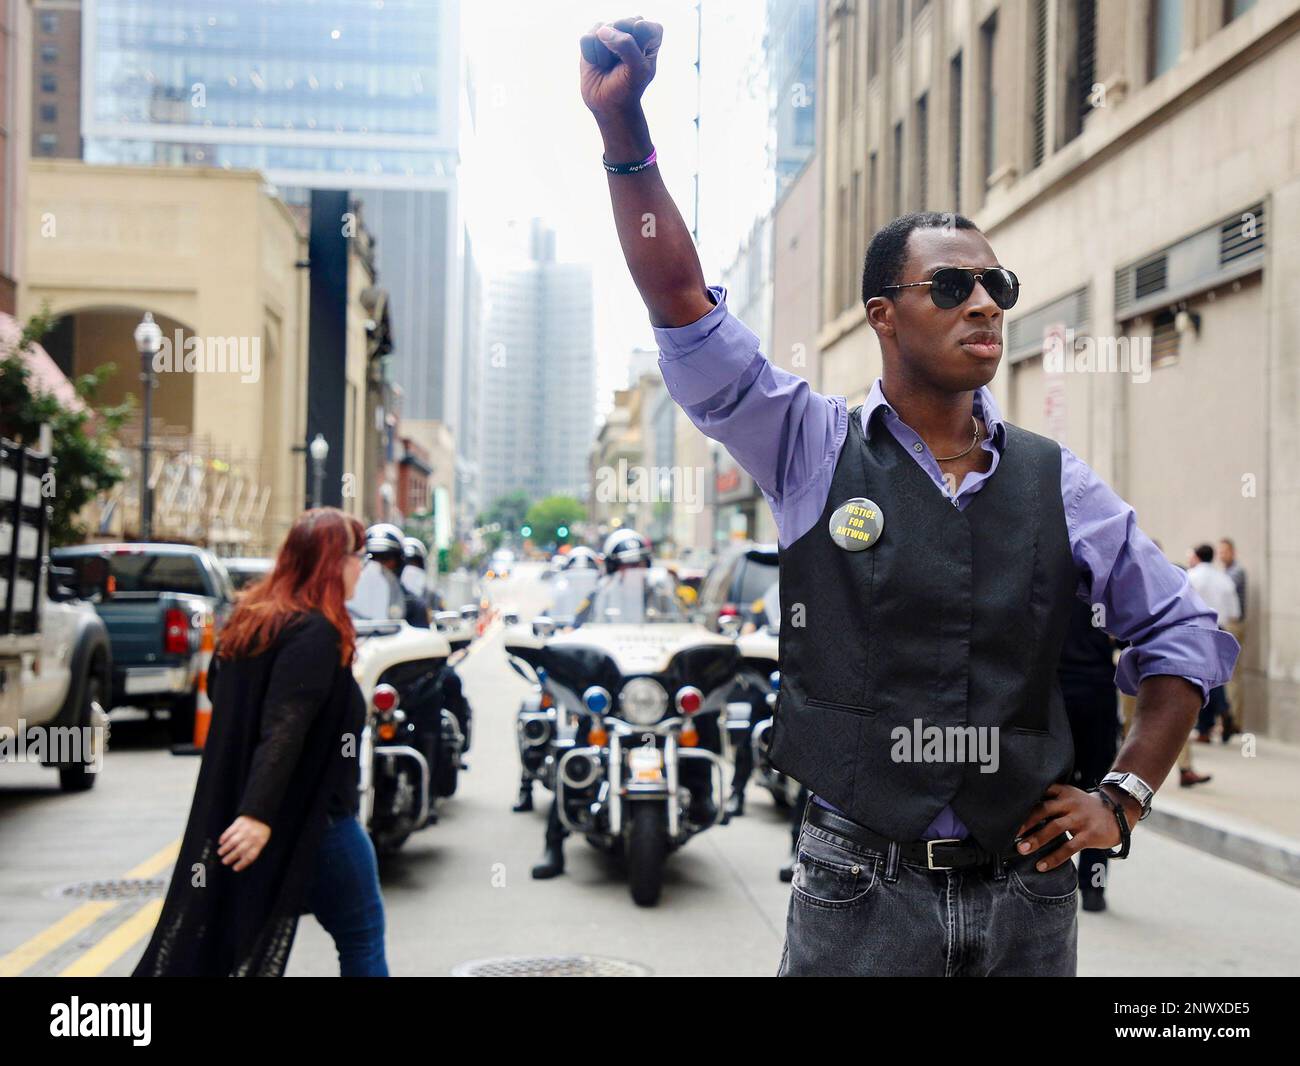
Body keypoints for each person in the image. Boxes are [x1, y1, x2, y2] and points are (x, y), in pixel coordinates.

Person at [579, 16, 1238, 976]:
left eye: (998, 286)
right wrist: (626, 139)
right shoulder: (807, 443)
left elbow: (1181, 639)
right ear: (883, 316)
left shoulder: (1061, 481)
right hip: (858, 889)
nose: (985, 303)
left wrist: (1123, 797)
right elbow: (685, 309)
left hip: (1027, 894)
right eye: (955, 284)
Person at [133, 508, 388, 976]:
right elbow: (283, 729)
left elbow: (226, 697)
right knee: (363, 937)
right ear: (332, 562)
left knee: (228, 945)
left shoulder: (250, 621)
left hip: (260, 818)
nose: (363, 567)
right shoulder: (315, 632)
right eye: (358, 556)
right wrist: (257, 815)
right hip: (317, 820)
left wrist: (253, 813)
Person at [1057, 599, 1121, 913]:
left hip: (1056, 697)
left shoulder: (1046, 577)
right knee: (1099, 793)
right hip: (1097, 693)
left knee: (1050, 792)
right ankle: (1094, 888)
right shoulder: (1104, 591)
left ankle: (1047, 877)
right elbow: (1127, 636)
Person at [1186, 544, 1241, 742]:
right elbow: (1235, 612)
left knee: (1202, 680)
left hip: (1198, 631)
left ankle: (1209, 723)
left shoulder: (1191, 577)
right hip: (1220, 630)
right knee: (1214, 677)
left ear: (1198, 557)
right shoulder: (1224, 578)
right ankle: (1211, 723)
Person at [1217, 537, 1248, 732]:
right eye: (1219, 552)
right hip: (1226, 623)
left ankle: (1234, 720)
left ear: (1233, 552)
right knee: (1226, 674)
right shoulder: (1224, 573)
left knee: (1233, 673)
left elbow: (1226, 588)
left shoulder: (1236, 572)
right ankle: (1226, 717)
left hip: (1234, 624)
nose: (1221, 555)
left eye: (1224, 551)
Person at [347, 523, 406, 622]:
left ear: (399, 562)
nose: (377, 565)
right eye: (372, 558)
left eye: (386, 558)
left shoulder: (411, 603)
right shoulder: (347, 596)